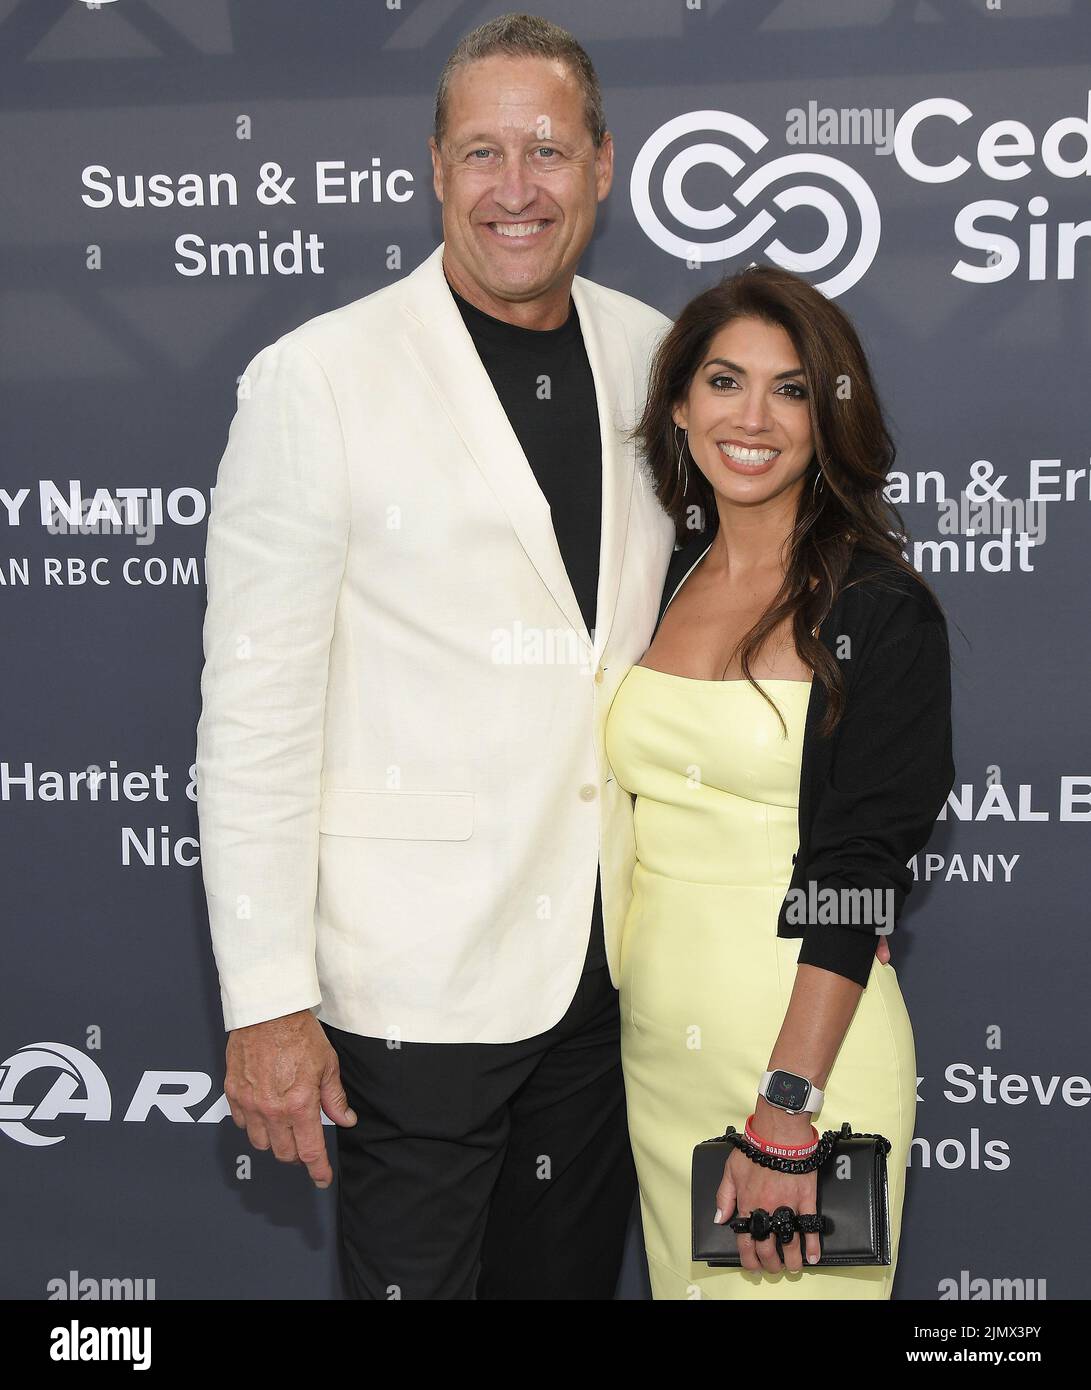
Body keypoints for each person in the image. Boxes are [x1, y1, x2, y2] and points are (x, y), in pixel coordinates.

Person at [194, 14, 677, 1299]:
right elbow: (255, 714)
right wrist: (264, 999)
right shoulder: (319, 377)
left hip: (606, 969)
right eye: (480, 153)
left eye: (545, 150)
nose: (513, 188)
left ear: (602, 165)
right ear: (432, 170)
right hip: (413, 985)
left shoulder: (658, 357)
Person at [603, 264, 956, 1298]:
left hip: (799, 1060)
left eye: (791, 389)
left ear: (825, 417)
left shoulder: (880, 608)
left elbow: (856, 869)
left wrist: (786, 1109)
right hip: (655, 1049)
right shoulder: (650, 578)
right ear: (677, 403)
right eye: (722, 381)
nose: (751, 416)